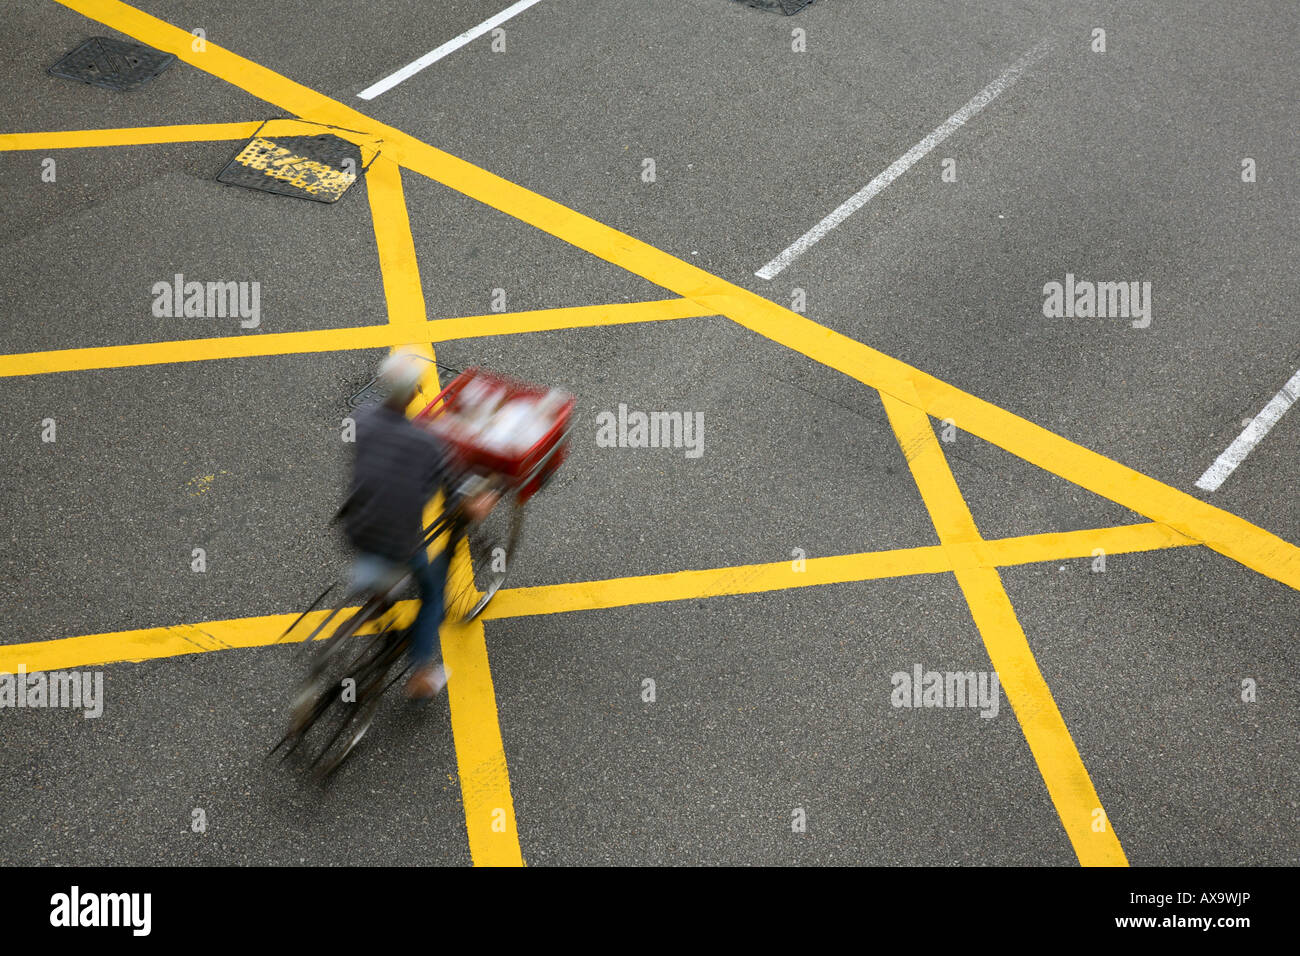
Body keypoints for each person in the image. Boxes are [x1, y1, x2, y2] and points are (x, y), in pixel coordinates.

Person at [340, 351, 495, 699]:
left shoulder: (363, 419)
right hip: (397, 543)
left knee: (383, 557)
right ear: (413, 394)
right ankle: (421, 674)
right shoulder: (428, 444)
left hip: (356, 528)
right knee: (432, 594)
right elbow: (459, 498)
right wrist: (480, 503)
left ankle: (380, 598)